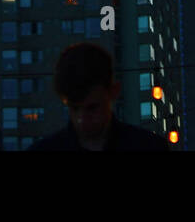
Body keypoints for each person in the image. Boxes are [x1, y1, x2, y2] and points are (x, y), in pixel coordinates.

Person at [26, 42, 169, 151]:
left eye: (92, 108)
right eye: (75, 108)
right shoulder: (149, 146)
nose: (82, 119)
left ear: (113, 92)